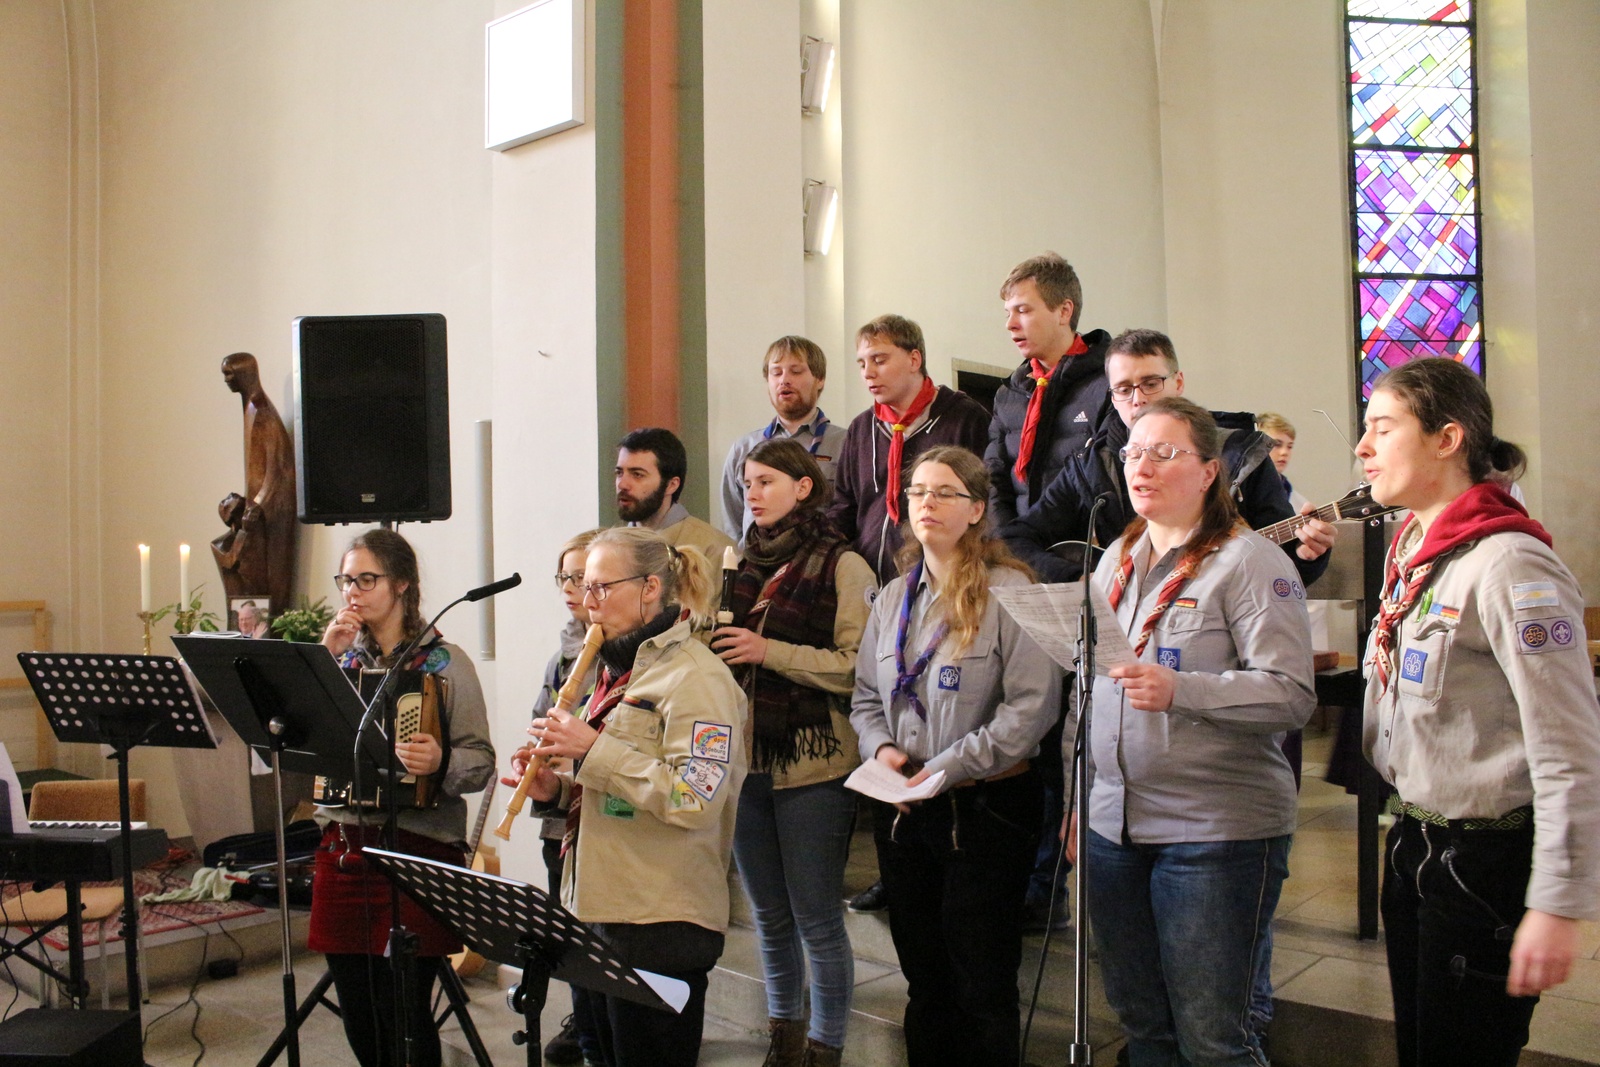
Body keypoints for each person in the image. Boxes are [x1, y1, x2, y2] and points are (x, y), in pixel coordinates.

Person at [1356, 358, 1600, 1067]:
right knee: (1423, 1046)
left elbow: (1570, 747)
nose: (1363, 446)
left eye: (1382, 427)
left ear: (1447, 438)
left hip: (1484, 858)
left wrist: (1557, 901)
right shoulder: (1414, 548)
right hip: (1415, 838)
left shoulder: (1509, 563)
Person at [1068, 397, 1315, 1066]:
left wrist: (1186, 689)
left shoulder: (1250, 562)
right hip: (1113, 828)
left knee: (1213, 1037)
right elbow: (1085, 691)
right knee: (1143, 1024)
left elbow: (1292, 694)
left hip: (1215, 832)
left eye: (1162, 452)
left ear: (1209, 471)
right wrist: (1075, 801)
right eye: (1131, 453)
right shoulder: (1115, 558)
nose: (1140, 466)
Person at [850, 445, 1060, 1067]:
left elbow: (1031, 710)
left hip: (986, 807)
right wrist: (882, 748)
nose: (926, 504)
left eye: (943, 492)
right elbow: (866, 696)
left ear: (975, 509)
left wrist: (948, 769)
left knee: (982, 982)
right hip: (904, 808)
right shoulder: (893, 597)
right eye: (916, 492)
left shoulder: (1013, 589)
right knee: (924, 981)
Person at [513, 527, 747, 1067]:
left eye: (599, 587)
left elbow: (695, 798)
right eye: (579, 585)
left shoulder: (697, 678)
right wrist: (556, 789)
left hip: (659, 922)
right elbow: (615, 788)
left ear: (648, 588)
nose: (586, 602)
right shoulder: (614, 670)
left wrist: (592, 751)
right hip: (598, 909)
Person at [708, 439, 875, 1067]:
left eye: (766, 481)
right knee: (767, 915)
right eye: (746, 482)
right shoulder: (740, 561)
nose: (751, 492)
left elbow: (860, 668)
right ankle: (783, 1036)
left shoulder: (843, 564)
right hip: (747, 760)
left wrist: (766, 651)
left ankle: (825, 1045)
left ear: (803, 487)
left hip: (816, 762)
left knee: (816, 917)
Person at [312, 528, 496, 1067]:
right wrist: (323, 661)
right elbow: (309, 744)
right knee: (358, 1010)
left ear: (402, 586)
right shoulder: (338, 662)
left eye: (366, 579)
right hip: (345, 848)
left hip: (416, 852)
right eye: (346, 579)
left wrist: (440, 762)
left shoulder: (444, 662)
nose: (352, 591)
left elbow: (480, 760)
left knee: (405, 1011)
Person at [1000, 329, 1337, 587]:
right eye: (1124, 388)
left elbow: (1280, 569)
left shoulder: (1238, 452)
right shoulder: (1091, 466)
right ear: (1113, 396)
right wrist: (1087, 580)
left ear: (1178, 382)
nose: (1138, 399)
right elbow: (1015, 539)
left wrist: (1308, 555)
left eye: (1150, 383)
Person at [518, 528, 606, 1067]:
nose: (574, 588)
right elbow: (541, 716)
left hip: (605, 814)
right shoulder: (563, 655)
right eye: (566, 577)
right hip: (561, 819)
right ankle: (582, 1017)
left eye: (584, 577)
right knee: (568, 933)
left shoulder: (619, 652)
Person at [828, 314, 990, 584]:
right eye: (862, 363)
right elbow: (844, 506)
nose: (868, 372)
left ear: (914, 360)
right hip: (868, 582)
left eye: (879, 360)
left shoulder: (966, 418)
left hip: (942, 580)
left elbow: (985, 503)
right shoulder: (861, 427)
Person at [986, 252, 1114, 568]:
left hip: (1085, 561)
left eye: (1023, 311)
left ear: (1064, 311)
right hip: (1017, 561)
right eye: (1007, 313)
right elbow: (993, 478)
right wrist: (1011, 546)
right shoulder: (1008, 394)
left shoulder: (1110, 383)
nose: (1010, 324)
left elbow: (1105, 480)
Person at [719, 336, 849, 545]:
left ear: (820, 379)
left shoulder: (845, 443)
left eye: (796, 372)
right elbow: (733, 524)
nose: (784, 380)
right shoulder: (744, 448)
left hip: (819, 562)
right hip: (755, 565)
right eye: (776, 372)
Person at [220, 352, 297, 614]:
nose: (227, 380)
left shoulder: (262, 411)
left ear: (245, 374)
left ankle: (266, 626)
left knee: (267, 575)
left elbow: (278, 468)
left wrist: (258, 505)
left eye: (230, 374)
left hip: (269, 513)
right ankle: (247, 623)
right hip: (256, 509)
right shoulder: (250, 407)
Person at [616, 426, 737, 561]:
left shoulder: (713, 548)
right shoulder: (610, 548)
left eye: (637, 474)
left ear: (671, 485)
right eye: (619, 473)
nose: (622, 484)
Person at [1256, 412, 1310, 513]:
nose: (1284, 452)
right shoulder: (1240, 494)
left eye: (1289, 446)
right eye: (1276, 444)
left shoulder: (1300, 504)